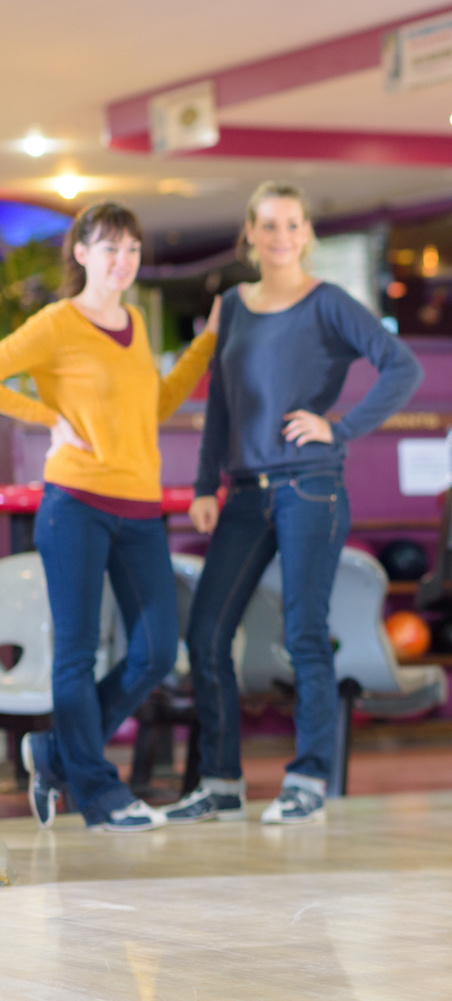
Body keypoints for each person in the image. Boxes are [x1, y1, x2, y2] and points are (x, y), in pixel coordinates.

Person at [163, 182, 422, 825]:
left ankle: (308, 778)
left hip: (311, 486)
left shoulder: (328, 302)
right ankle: (221, 781)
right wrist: (204, 486)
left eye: (293, 224)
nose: (281, 236)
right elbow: (221, 405)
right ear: (250, 234)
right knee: (206, 632)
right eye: (270, 225)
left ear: (307, 234)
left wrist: (340, 427)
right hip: (244, 494)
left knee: (305, 632)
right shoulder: (232, 306)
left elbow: (401, 367)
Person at [0, 202, 217, 832]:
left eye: (133, 249)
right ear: (81, 253)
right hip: (75, 505)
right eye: (110, 248)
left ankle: (56, 755)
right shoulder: (57, 323)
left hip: (139, 509)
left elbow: (154, 406)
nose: (123, 261)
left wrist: (205, 344)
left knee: (156, 652)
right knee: (77, 655)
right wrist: (51, 418)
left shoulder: (135, 321)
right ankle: (99, 798)